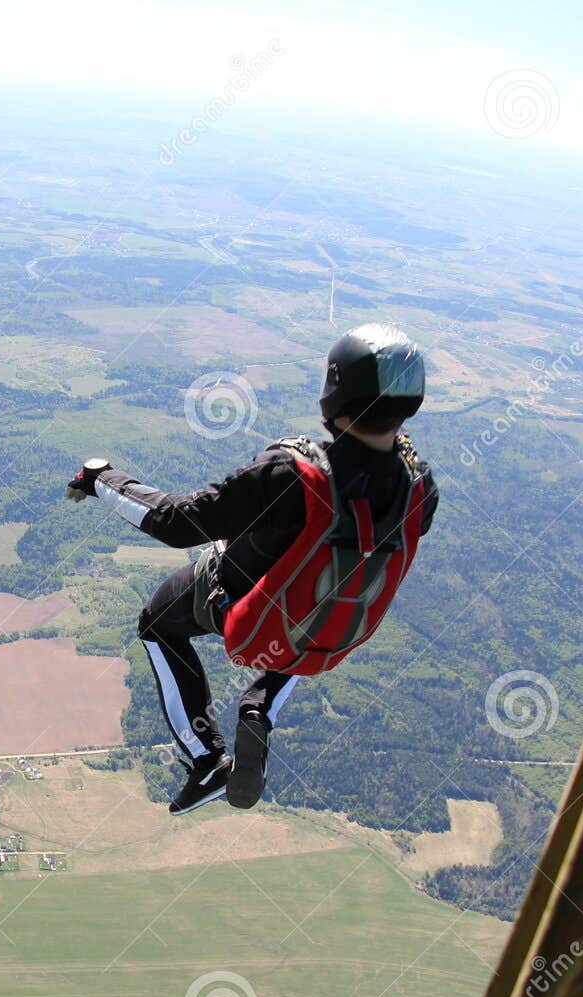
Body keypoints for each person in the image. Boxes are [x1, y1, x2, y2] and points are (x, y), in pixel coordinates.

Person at [67, 323, 439, 816]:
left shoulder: (291, 473)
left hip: (238, 603)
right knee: (324, 587)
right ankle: (260, 703)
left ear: (336, 388)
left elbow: (175, 522)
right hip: (329, 634)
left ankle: (205, 758)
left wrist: (101, 479)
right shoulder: (419, 490)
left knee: (157, 624)